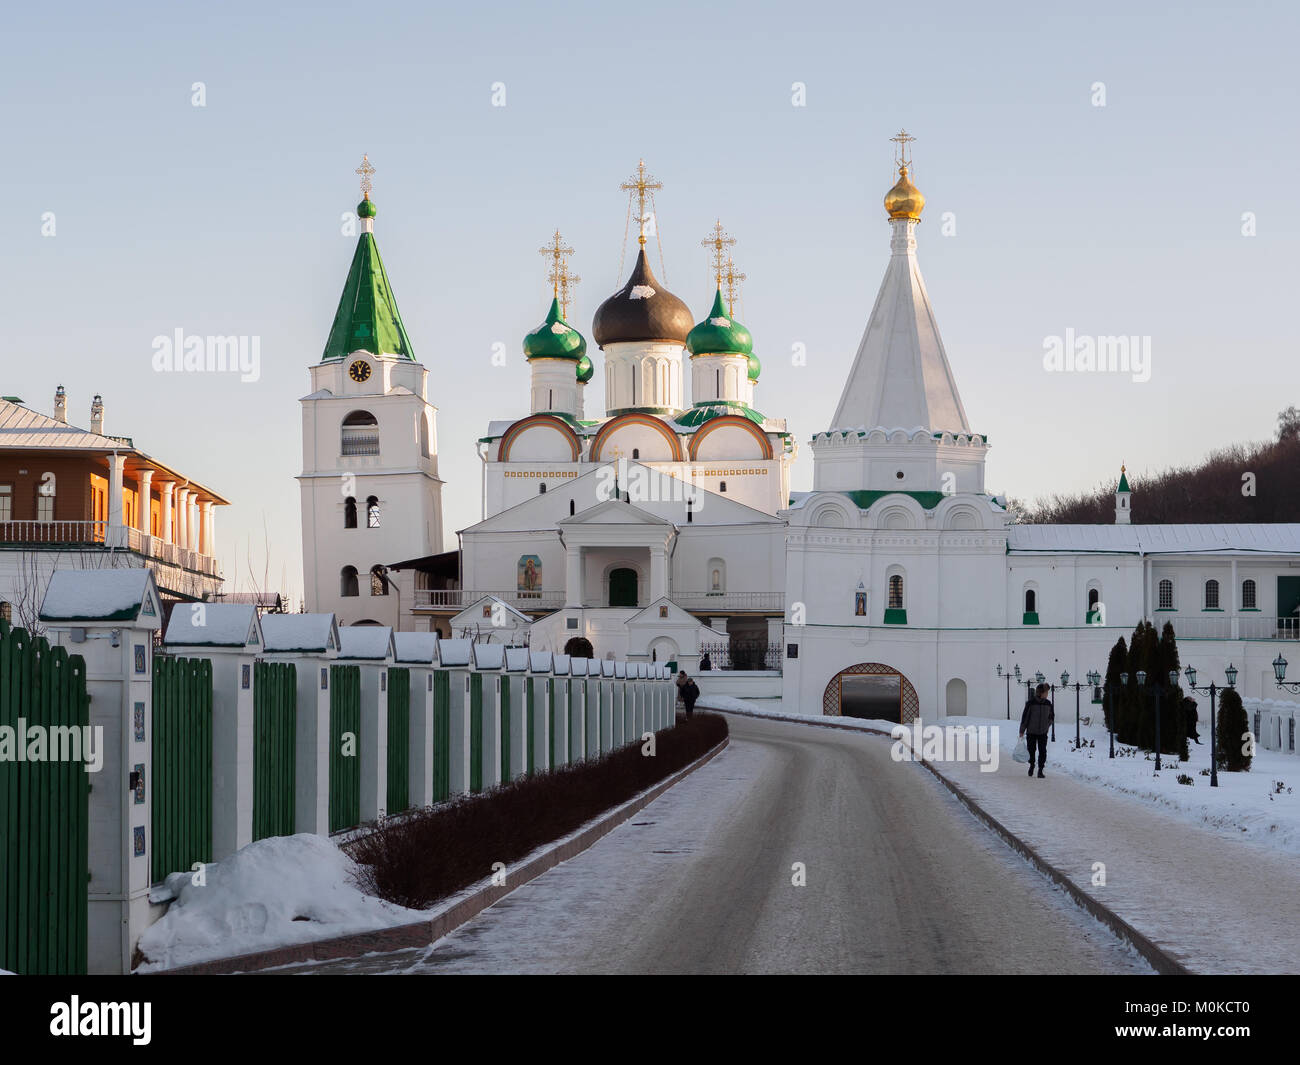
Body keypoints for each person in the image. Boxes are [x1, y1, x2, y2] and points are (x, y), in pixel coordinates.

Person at [1019, 682, 1054, 778]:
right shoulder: (1031, 703)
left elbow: (1051, 716)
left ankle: (1040, 770)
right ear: (1041, 693)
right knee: (1031, 750)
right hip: (1031, 732)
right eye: (1046, 692)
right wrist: (1022, 731)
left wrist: (1047, 725)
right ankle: (1031, 765)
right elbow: (1025, 717)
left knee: (1043, 751)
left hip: (1043, 732)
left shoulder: (1048, 703)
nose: (1047, 694)